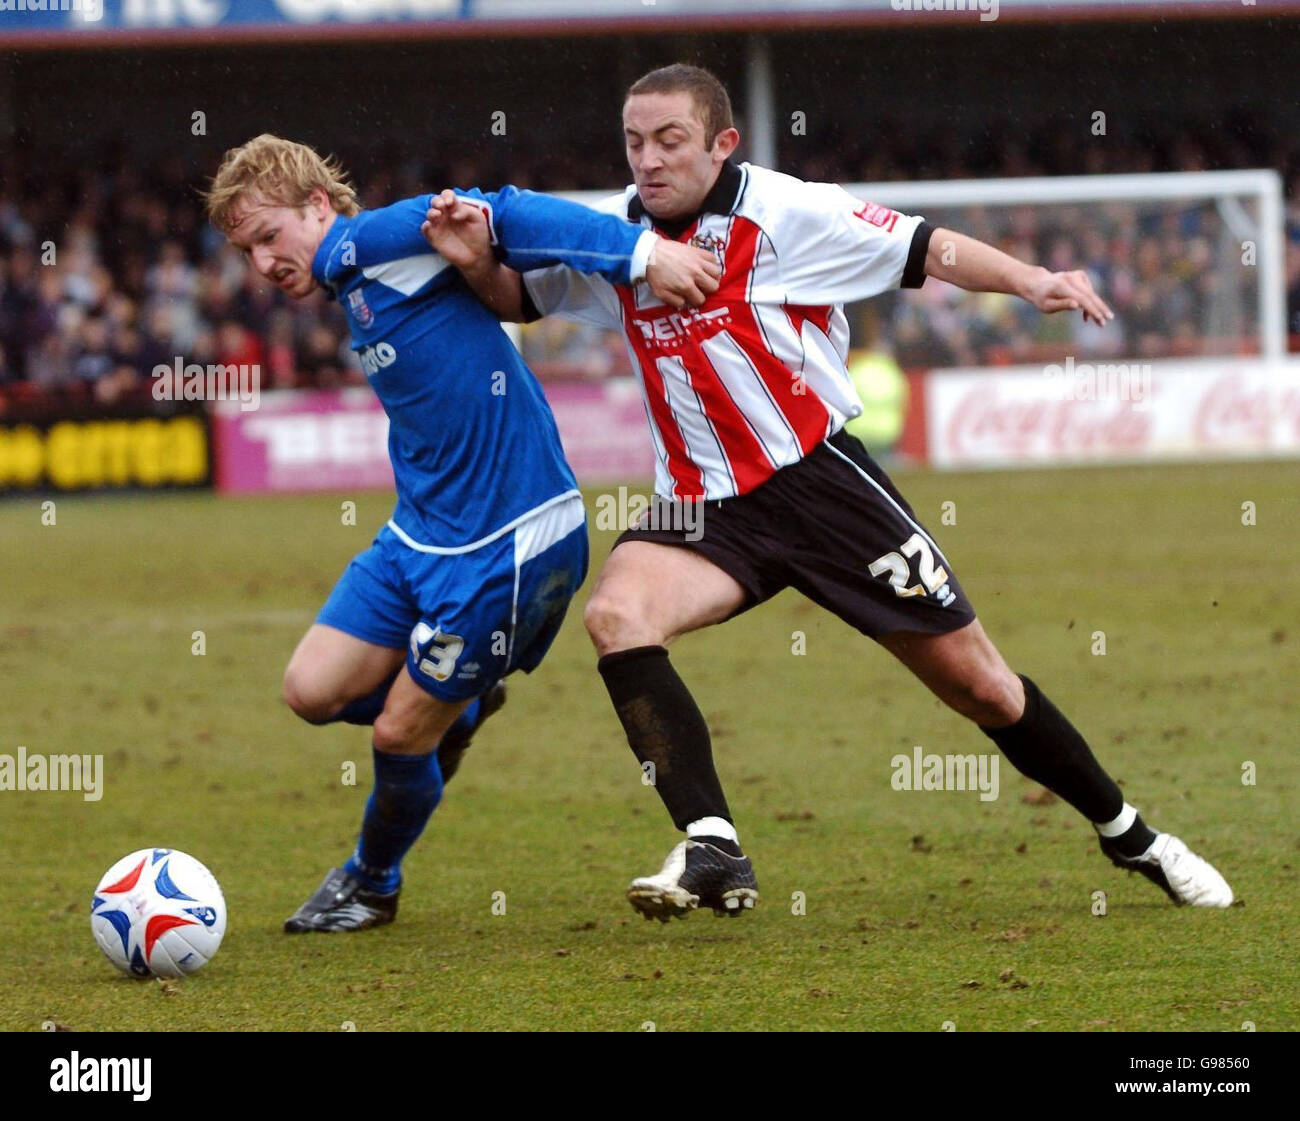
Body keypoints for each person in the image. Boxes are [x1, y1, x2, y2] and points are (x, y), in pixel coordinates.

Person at [422, 65, 1233, 920]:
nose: (648, 161)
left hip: (821, 489)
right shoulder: (624, 241)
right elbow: (523, 296)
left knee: (984, 689)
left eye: (670, 141)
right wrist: (477, 259)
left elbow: (924, 247)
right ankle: (713, 846)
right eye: (634, 142)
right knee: (618, 617)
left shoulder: (786, 213)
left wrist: (1030, 280)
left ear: (721, 143)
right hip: (706, 507)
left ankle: (1132, 834)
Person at [203, 133, 719, 932]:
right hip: (419, 535)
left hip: (510, 540)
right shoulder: (349, 279)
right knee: (309, 689)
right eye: (245, 249)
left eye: (270, 236)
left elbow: (511, 211)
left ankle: (372, 882)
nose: (262, 262)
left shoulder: (366, 238)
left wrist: (642, 255)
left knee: (399, 731)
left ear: (317, 206)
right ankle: (464, 706)